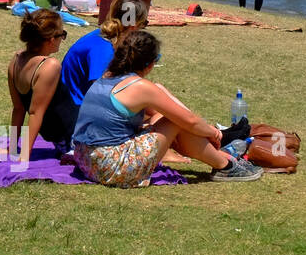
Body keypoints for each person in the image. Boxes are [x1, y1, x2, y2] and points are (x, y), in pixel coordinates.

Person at [72, 30, 262, 187]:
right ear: (148, 64)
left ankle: (223, 157)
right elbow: (189, 121)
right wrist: (214, 133)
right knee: (175, 120)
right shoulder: (139, 87)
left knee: (165, 102)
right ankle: (226, 164)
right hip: (108, 166)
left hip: (85, 160)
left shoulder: (108, 77)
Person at [57, 0, 147, 123]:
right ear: (133, 26)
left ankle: (18, 142)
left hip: (68, 108)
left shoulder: (102, 37)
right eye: (143, 24)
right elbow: (101, 95)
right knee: (160, 118)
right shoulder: (103, 49)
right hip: (74, 117)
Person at [6, 8, 72, 163]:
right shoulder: (49, 66)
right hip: (73, 137)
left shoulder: (16, 60)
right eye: (62, 35)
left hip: (57, 136)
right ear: (51, 40)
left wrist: (13, 147)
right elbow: (36, 113)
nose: (62, 39)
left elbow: (18, 109)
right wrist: (25, 156)